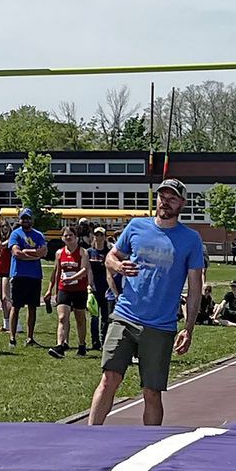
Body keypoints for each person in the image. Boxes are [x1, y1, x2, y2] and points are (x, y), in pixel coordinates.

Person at [88, 179, 204, 426]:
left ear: (182, 203)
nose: (165, 202)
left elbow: (195, 288)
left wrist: (189, 329)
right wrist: (118, 265)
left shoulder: (191, 239)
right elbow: (111, 256)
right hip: (125, 315)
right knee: (109, 379)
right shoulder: (136, 226)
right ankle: (89, 436)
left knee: (151, 392)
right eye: (162, 196)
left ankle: (148, 445)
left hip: (160, 326)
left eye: (172, 198)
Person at [46, 226, 93, 358]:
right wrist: (52, 290)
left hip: (79, 290)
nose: (68, 237)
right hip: (64, 289)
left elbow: (84, 270)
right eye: (65, 235)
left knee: (80, 319)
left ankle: (82, 345)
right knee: (62, 317)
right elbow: (56, 272)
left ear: (76, 238)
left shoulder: (82, 252)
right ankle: (60, 346)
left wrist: (72, 278)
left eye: (70, 235)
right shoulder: (59, 253)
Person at [8, 208, 48, 348]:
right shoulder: (15, 234)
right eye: (23, 218)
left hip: (34, 276)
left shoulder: (38, 235)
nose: (26, 220)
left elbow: (44, 252)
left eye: (28, 218)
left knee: (32, 308)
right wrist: (34, 255)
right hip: (19, 275)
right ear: (19, 220)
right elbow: (16, 253)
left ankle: (30, 338)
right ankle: (12, 337)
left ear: (32, 220)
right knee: (16, 306)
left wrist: (27, 252)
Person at [88, 226, 112, 350]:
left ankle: (104, 341)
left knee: (106, 317)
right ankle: (95, 342)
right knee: (94, 317)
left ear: (105, 237)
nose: (99, 237)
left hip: (106, 289)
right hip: (94, 288)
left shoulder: (108, 252)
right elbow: (88, 270)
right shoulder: (89, 252)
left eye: (101, 235)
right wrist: (89, 285)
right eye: (96, 235)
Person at [0, 219, 13, 332]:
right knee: (1, 298)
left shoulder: (11, 238)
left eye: (6, 225)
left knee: (6, 297)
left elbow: (0, 245)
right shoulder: (0, 237)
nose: (4, 228)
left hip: (8, 269)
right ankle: (5, 323)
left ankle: (14, 322)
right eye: (2, 226)